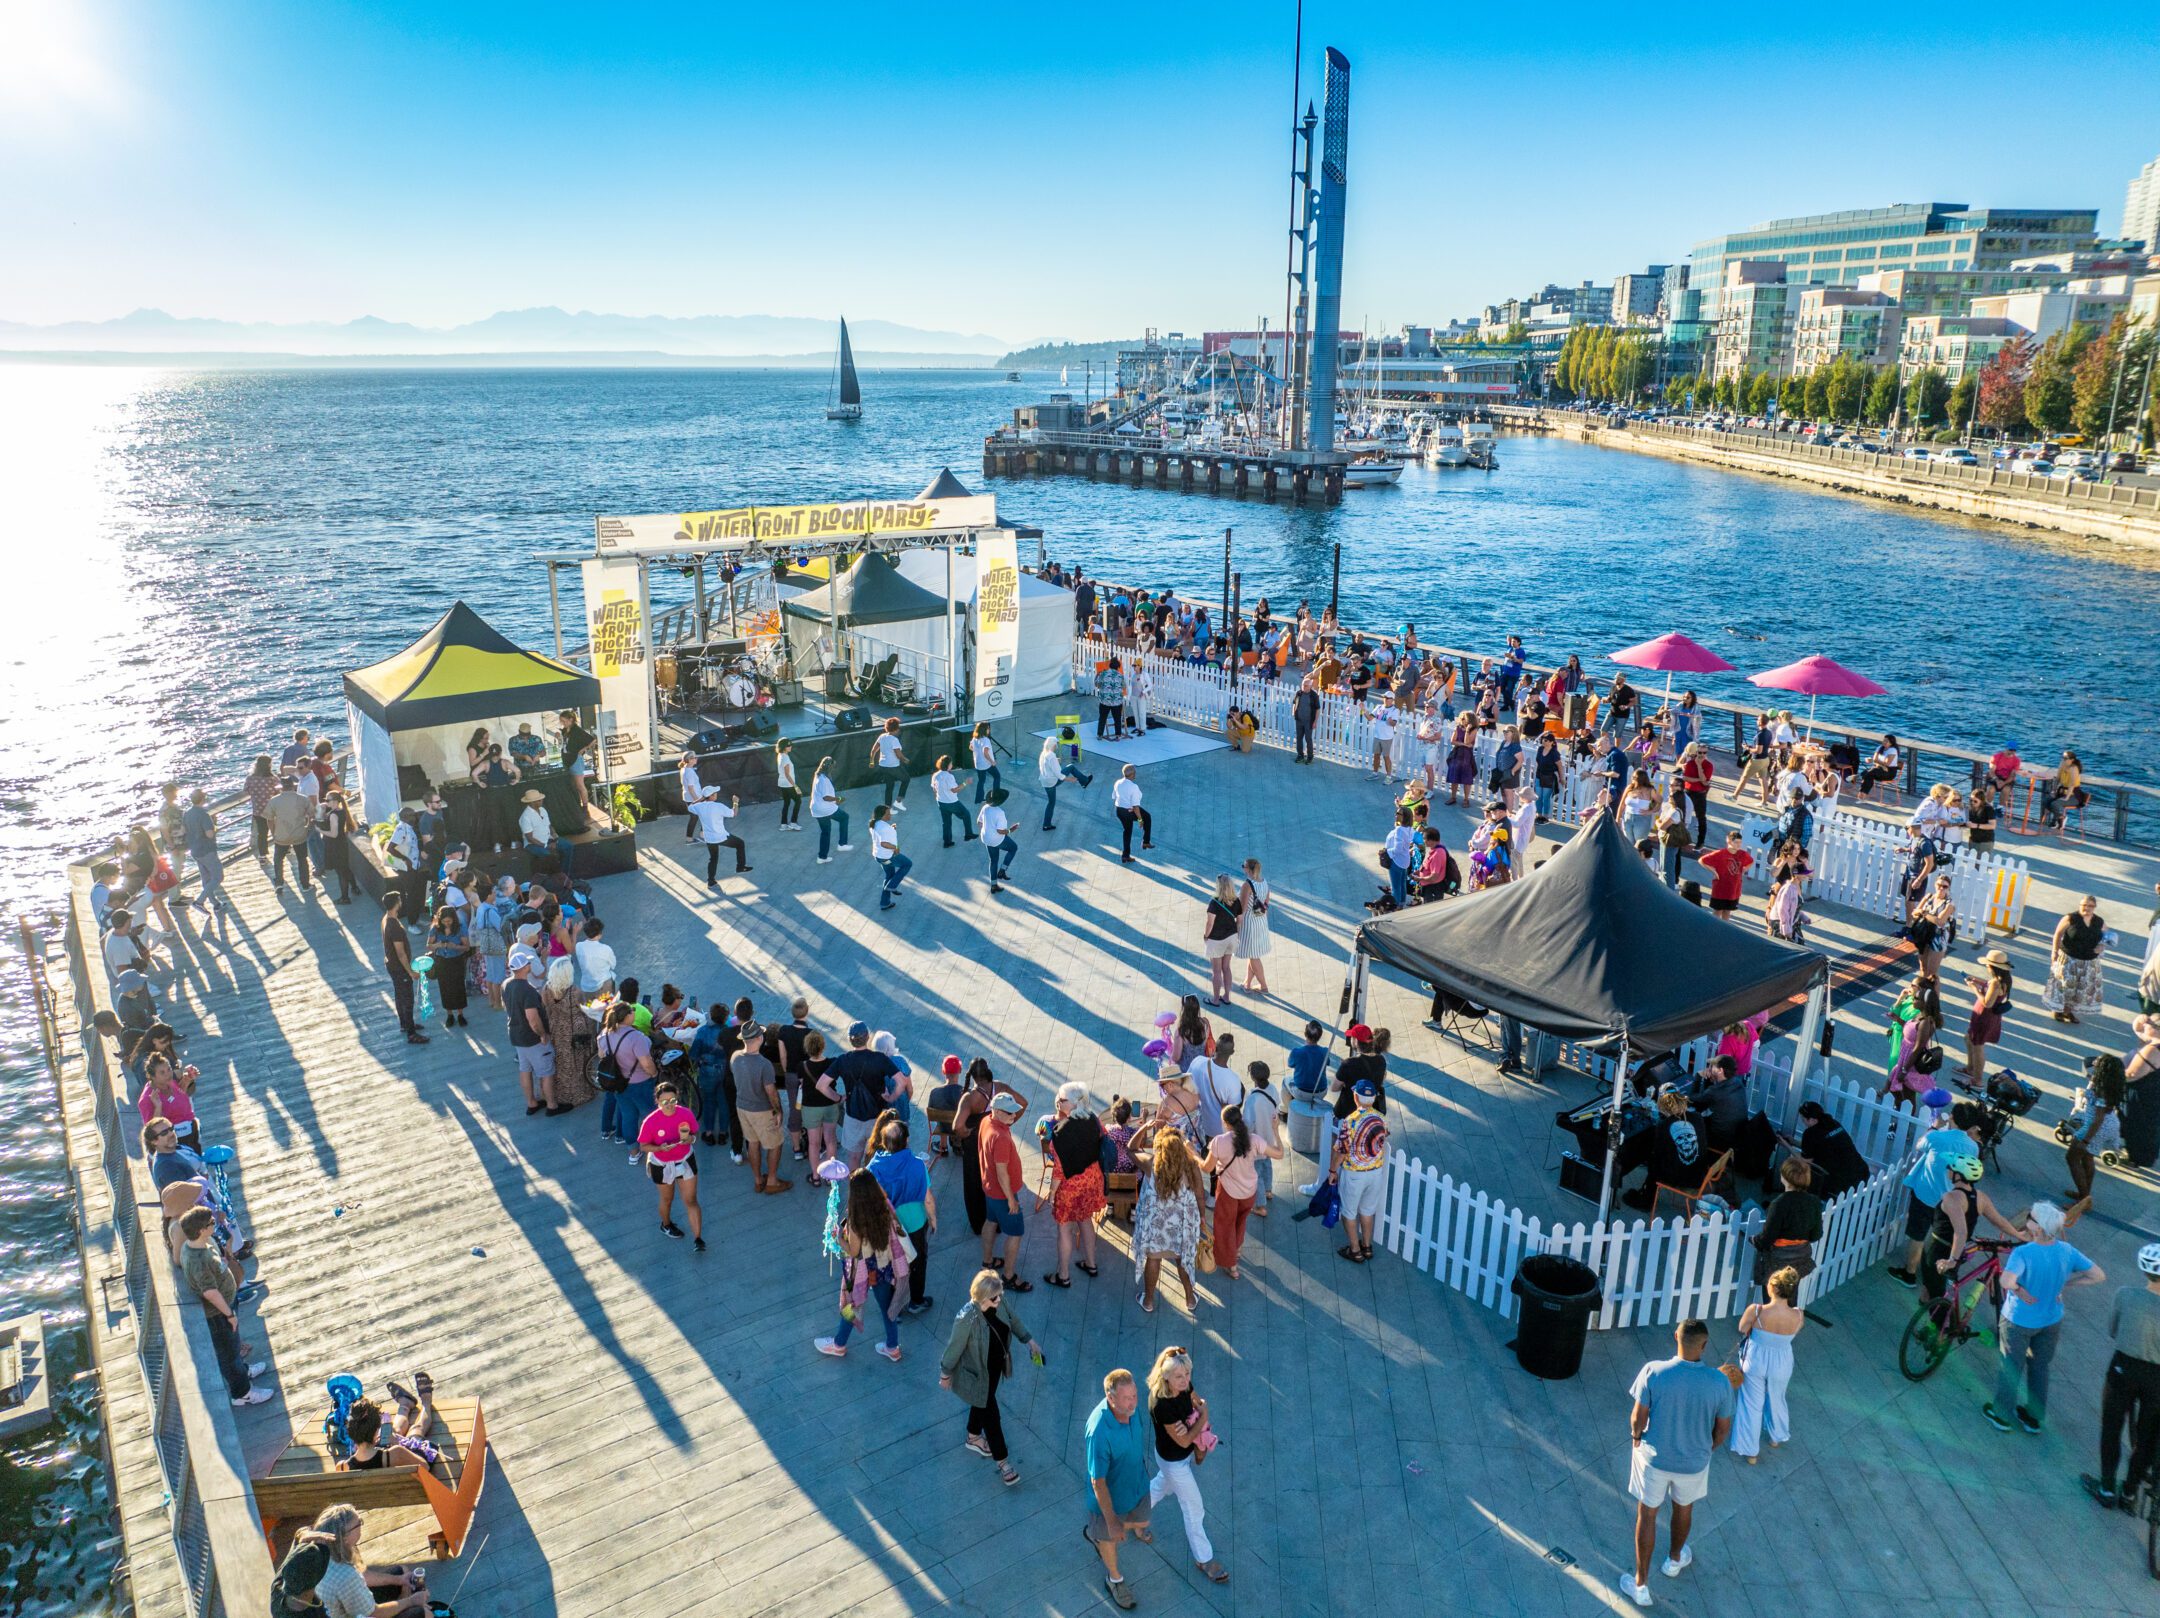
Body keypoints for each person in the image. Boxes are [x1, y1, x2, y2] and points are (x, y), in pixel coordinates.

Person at [1622, 1319, 1734, 1608]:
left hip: (1654, 1459)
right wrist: (1706, 1448)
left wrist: (1636, 1437)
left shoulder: (1653, 1371)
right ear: (1705, 1344)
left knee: (1647, 1516)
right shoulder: (1720, 1382)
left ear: (1675, 1337)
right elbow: (1722, 1429)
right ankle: (1674, 1560)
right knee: (1684, 1510)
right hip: (1694, 1461)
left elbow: (1638, 1417)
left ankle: (1641, 1585)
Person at [1987, 1201, 2104, 1435]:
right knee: (2040, 1368)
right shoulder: (2067, 1251)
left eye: (2030, 1216)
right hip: (2051, 1320)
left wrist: (2020, 1291)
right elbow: (2097, 1275)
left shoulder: (2023, 1252)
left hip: (2019, 1320)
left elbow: (2006, 1282)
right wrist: (2067, 1285)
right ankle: (2033, 1417)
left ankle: (2001, 1414)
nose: (2027, 1218)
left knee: (2011, 1366)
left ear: (2037, 1228)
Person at [940, 1268, 1036, 1487]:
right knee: (992, 1417)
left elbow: (1014, 1320)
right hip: (977, 1375)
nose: (1000, 1299)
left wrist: (1029, 1341)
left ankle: (973, 1436)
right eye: (995, 1297)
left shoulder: (999, 1302)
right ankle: (1004, 1463)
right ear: (982, 1296)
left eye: (1000, 1295)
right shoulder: (967, 1318)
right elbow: (954, 1347)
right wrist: (945, 1373)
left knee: (982, 1401)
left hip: (994, 1369)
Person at [2083, 1242, 2160, 1510]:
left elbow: (2113, 1330)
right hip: (2156, 1378)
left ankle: (2106, 1487)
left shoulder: (2126, 1295)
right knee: (2148, 1437)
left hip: (2124, 1367)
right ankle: (2130, 1492)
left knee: (2112, 1427)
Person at [1143, 1347, 1227, 1583]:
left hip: (1175, 1457)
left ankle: (1131, 1516)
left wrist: (1194, 1421)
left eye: (1188, 1374)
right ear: (1166, 1375)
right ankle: (1204, 1558)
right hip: (1173, 1462)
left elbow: (1194, 1401)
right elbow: (1186, 1438)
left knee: (1160, 1487)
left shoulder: (1182, 1385)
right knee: (1193, 1507)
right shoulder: (1161, 1404)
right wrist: (1202, 1416)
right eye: (1180, 1376)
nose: (1186, 1381)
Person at [178, 1207, 272, 1408]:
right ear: (201, 1229)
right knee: (229, 1355)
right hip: (218, 1315)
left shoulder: (202, 1243)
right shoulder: (196, 1259)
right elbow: (209, 1292)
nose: (214, 1224)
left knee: (234, 1347)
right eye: (211, 1223)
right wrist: (229, 1315)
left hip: (228, 1301)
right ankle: (242, 1393)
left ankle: (243, 1371)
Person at [815, 1169, 910, 1361]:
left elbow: (853, 1251)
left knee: (851, 1304)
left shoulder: (857, 1221)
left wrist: (838, 1236)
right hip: (883, 1267)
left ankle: (839, 1344)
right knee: (887, 1308)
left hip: (862, 1271)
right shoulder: (884, 1206)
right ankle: (893, 1347)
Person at [270, 1504, 429, 1618]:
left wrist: (399, 1580)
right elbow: (372, 1612)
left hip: (345, 1600)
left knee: (400, 1573)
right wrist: (411, 1602)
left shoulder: (280, 1587)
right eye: (358, 1523)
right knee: (421, 1613)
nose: (323, 1550)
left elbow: (300, 1536)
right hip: (355, 1612)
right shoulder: (342, 1578)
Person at [1083, 1368, 1154, 1611]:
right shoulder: (1099, 1431)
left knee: (1143, 1521)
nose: (1134, 1402)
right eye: (1127, 1398)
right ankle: (1115, 1580)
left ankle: (1098, 1533)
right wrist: (1111, 1520)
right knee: (1110, 1538)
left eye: (1135, 1395)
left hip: (1137, 1487)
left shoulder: (1132, 1411)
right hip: (1109, 1502)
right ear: (1111, 1399)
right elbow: (1098, 1482)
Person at [1729, 1269, 1805, 1463]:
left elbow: (1742, 1328)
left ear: (1771, 1287)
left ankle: (1751, 1451)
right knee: (1777, 1398)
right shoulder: (1798, 1315)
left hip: (1756, 1359)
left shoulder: (1757, 1310)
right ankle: (1776, 1437)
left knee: (1751, 1404)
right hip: (1782, 1361)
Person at [1130, 1121, 1202, 1313]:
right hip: (1182, 1224)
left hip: (1156, 1225)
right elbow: (1200, 1194)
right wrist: (1201, 1218)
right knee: (1182, 1260)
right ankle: (1190, 1299)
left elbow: (1131, 1149)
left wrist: (1144, 1127)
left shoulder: (1150, 1164)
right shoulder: (1191, 1167)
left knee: (1153, 1259)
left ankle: (1148, 1301)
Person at [1040, 1082, 1105, 1288]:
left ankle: (1063, 1275)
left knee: (1065, 1230)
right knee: (1085, 1220)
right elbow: (1104, 1138)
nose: (1058, 1101)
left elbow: (1058, 1170)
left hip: (1070, 1188)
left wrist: (1051, 1193)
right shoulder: (1094, 1120)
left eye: (1063, 1099)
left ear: (1076, 1103)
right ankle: (1091, 1264)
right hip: (1091, 1180)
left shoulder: (1059, 1132)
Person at [1205, 1090, 1275, 1280]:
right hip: (1249, 1191)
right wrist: (1275, 1129)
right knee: (1240, 1221)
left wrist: (1191, 1153)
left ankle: (1232, 1266)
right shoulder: (1254, 1140)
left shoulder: (1219, 1142)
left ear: (1226, 1123)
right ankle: (1237, 1250)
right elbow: (1278, 1154)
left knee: (1224, 1226)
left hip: (1228, 1191)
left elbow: (1206, 1167)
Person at [869, 1118, 937, 1313]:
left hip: (888, 1227)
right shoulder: (917, 1165)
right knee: (917, 1262)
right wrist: (933, 1219)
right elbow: (928, 1199)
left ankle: (893, 1307)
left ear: (883, 1142)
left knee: (891, 1266)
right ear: (906, 1141)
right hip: (915, 1223)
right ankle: (916, 1301)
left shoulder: (873, 1167)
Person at [636, 1080, 705, 1252]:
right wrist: (659, 1148)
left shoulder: (686, 1113)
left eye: (673, 1100)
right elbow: (644, 1146)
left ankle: (698, 1239)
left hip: (685, 1160)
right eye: (665, 1102)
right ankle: (666, 1224)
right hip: (661, 1164)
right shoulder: (650, 1122)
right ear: (657, 1102)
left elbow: (694, 1133)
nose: (669, 1105)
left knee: (691, 1200)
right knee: (667, 1199)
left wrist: (690, 1139)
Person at [1331, 1078, 1390, 1263]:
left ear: (1356, 1097)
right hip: (1375, 1172)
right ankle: (1367, 1246)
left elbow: (1341, 1151)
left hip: (1354, 1174)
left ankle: (1355, 1250)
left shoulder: (1350, 1121)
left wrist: (1332, 1171)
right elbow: (1384, 1136)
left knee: (1349, 1212)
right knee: (1367, 1210)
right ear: (1372, 1099)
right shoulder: (1380, 1118)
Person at [977, 1091, 1031, 1289]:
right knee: (1015, 1233)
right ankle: (1008, 1277)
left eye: (1014, 1112)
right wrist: (1011, 1199)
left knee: (991, 1221)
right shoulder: (1000, 1137)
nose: (1014, 1116)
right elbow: (1002, 1173)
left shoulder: (986, 1122)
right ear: (997, 1111)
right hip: (1002, 1194)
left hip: (989, 1189)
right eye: (1009, 1113)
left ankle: (987, 1261)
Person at [732, 1018, 791, 1194]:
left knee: (752, 1142)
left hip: (742, 1107)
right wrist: (778, 1110)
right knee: (775, 1144)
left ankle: (758, 1180)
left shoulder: (735, 1057)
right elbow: (771, 1092)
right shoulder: (763, 1064)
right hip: (762, 1110)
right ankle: (772, 1181)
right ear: (759, 1038)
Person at [2066, 1053, 2127, 1206]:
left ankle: (2084, 1200)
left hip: (2097, 1125)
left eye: (2097, 1062)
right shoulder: (2104, 1081)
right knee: (2087, 1157)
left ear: (2103, 1070)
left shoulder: (2102, 1089)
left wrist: (2085, 1139)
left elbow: (2098, 1118)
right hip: (2105, 1123)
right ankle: (2084, 1193)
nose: (2094, 1061)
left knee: (2072, 1157)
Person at [1753, 1158, 1822, 1286]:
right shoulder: (1814, 1202)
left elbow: (1767, 1238)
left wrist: (1755, 1240)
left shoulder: (1779, 1204)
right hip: (1800, 1258)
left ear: (1785, 1177)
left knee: (1773, 1298)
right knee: (1790, 1296)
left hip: (1779, 1261)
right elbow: (1816, 1235)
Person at [540, 956, 596, 1111]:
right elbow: (585, 1009)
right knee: (576, 1063)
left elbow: (545, 1008)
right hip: (575, 1031)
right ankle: (579, 1094)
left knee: (559, 1062)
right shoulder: (575, 991)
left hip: (556, 1029)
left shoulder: (545, 989)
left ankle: (557, 1094)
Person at [2044, 894, 2108, 1025]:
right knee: (2065, 985)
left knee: (2081, 988)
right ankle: (2058, 1010)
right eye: (2084, 905)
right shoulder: (2071, 918)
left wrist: (2101, 946)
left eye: (2090, 906)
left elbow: (2106, 937)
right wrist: (2054, 952)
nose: (2087, 908)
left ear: (2094, 907)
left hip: (2089, 961)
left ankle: (2069, 1011)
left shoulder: (2099, 922)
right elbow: (2058, 934)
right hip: (2069, 958)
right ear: (2080, 905)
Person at [1793, 1101, 1869, 1199]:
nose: (1802, 1122)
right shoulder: (1833, 1123)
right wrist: (1793, 1141)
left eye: (1803, 1120)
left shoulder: (1810, 1133)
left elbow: (1806, 1160)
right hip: (1861, 1170)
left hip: (1843, 1180)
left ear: (1812, 1120)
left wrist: (1785, 1144)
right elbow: (1819, 1146)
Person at [379, 893, 427, 1045]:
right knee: (407, 999)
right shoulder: (395, 927)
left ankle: (405, 1024)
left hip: (390, 965)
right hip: (399, 968)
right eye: (400, 900)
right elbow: (401, 953)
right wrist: (410, 972)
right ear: (396, 903)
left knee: (399, 996)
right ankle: (412, 1033)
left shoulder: (386, 919)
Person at [1964, 949, 2014, 1081]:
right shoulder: (2003, 979)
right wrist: (1977, 981)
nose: (1986, 966)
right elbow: (1989, 986)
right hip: (1989, 1017)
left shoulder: (1996, 983)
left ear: (1993, 967)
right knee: (1969, 1038)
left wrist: (1974, 988)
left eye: (1987, 965)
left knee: (1978, 1046)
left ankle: (1977, 1079)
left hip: (1984, 1016)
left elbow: (1987, 1003)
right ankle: (1970, 1069)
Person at [422, 906, 471, 1030]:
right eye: (444, 921)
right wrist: (439, 944)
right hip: (442, 961)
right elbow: (429, 945)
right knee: (445, 987)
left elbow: (467, 947)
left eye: (449, 921)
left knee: (459, 986)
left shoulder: (460, 927)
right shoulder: (435, 928)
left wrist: (454, 946)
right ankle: (449, 1014)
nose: (447, 923)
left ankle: (460, 1014)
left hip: (457, 960)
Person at [265, 774, 314, 892]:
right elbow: (312, 815)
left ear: (281, 787)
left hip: (281, 835)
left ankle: (279, 883)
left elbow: (269, 819)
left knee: (278, 859)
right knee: (302, 859)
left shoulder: (274, 801)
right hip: (299, 833)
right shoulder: (303, 799)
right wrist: (307, 827)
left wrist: (273, 832)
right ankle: (305, 885)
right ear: (293, 786)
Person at [1038, 733, 1092, 830]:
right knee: (1070, 767)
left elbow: (1047, 765)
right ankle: (1084, 781)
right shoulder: (1051, 756)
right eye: (1056, 744)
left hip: (1045, 781)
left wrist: (1056, 761)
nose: (1056, 746)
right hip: (1052, 781)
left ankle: (1046, 824)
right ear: (1053, 745)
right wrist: (1070, 779)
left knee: (1051, 803)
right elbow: (1059, 774)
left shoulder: (1044, 753)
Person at [868, 804, 910, 912]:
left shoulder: (874, 824)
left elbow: (882, 835)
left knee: (889, 876)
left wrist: (891, 829)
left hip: (879, 856)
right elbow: (884, 843)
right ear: (882, 815)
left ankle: (885, 903)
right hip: (888, 856)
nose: (890, 814)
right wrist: (895, 847)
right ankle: (892, 886)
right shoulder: (884, 828)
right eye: (888, 813)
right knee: (907, 864)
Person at [809, 756, 851, 863]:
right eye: (833, 767)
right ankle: (842, 844)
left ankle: (822, 857)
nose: (834, 768)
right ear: (829, 767)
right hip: (825, 808)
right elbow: (826, 797)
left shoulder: (818, 775)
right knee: (844, 817)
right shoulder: (824, 780)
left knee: (825, 832)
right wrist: (838, 798)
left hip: (816, 809)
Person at [931, 754, 975, 848]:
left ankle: (947, 842)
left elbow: (934, 788)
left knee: (946, 823)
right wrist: (966, 782)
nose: (952, 765)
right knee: (966, 814)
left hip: (941, 802)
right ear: (947, 765)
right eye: (951, 763)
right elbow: (955, 790)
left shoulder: (935, 775)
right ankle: (968, 834)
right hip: (952, 802)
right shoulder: (949, 777)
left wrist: (937, 798)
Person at [978, 788, 1018, 892]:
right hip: (997, 839)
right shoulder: (1000, 812)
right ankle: (1002, 871)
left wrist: (988, 830)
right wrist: (1010, 830)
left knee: (993, 860)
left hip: (986, 838)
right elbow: (1001, 831)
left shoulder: (985, 807)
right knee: (1013, 848)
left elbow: (979, 823)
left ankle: (993, 885)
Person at [870, 716, 910, 812]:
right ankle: (898, 802)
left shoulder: (882, 737)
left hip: (883, 766)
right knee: (906, 779)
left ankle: (888, 809)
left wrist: (871, 761)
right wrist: (905, 760)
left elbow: (873, 750)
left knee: (889, 786)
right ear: (896, 729)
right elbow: (898, 754)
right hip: (893, 767)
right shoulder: (894, 740)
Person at [1111, 765, 1150, 863]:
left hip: (1119, 811)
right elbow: (1136, 807)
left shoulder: (1117, 782)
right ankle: (1145, 842)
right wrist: (1140, 820)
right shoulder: (1134, 787)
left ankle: (1125, 856)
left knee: (1127, 832)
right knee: (1147, 817)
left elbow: (1114, 797)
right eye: (1135, 772)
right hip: (1129, 810)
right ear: (1132, 774)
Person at [968, 721, 1001, 804]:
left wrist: (977, 752)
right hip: (987, 764)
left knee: (981, 781)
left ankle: (978, 799)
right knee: (997, 776)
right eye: (988, 728)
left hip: (978, 764)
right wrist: (992, 762)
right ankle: (995, 796)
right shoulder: (986, 740)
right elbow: (985, 752)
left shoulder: (975, 738)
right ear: (984, 730)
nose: (989, 730)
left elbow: (970, 747)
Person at [1291, 675, 1320, 764]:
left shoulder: (1314, 696)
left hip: (1309, 721)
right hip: (1299, 720)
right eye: (1303, 685)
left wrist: (1315, 721)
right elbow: (1294, 703)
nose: (1303, 687)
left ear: (1310, 686)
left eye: (1306, 685)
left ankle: (1310, 756)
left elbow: (1318, 709)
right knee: (1299, 738)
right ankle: (1300, 755)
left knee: (1308, 739)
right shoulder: (1298, 693)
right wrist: (1293, 712)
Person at [1096, 655, 1126, 738]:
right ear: (1118, 667)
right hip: (1117, 701)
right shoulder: (1120, 676)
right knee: (1117, 719)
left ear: (1110, 665)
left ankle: (1100, 735)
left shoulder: (1103, 674)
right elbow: (1124, 687)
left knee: (1102, 718)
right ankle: (1118, 735)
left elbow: (1097, 684)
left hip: (1105, 700)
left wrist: (1097, 675)